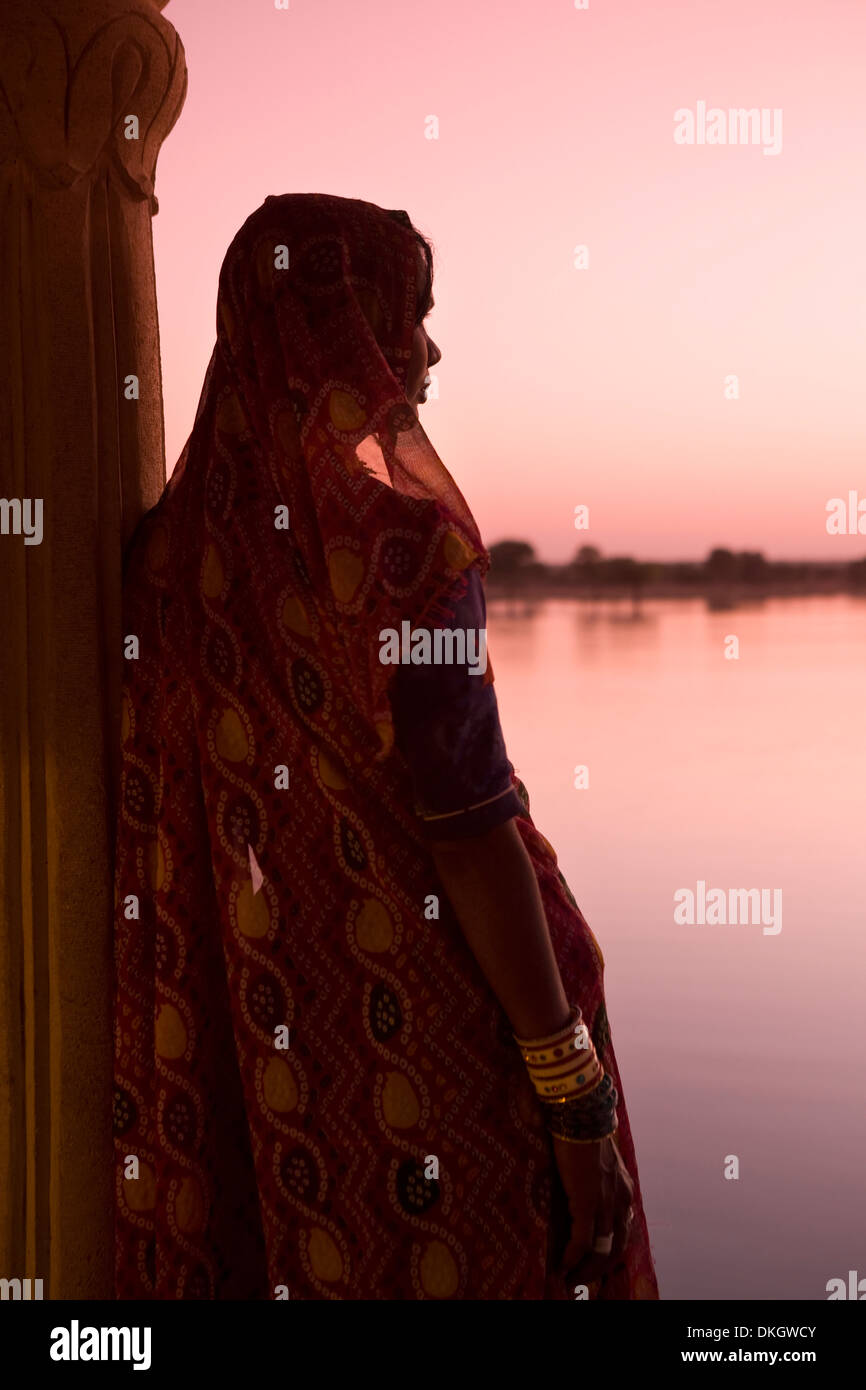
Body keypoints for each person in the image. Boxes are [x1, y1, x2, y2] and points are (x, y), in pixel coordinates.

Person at [113, 192, 659, 1300]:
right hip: (453, 1051)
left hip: (280, 1066)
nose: (427, 347)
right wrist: (572, 1093)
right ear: (342, 324)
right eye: (409, 312)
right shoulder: (402, 548)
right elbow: (470, 829)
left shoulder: (163, 569)